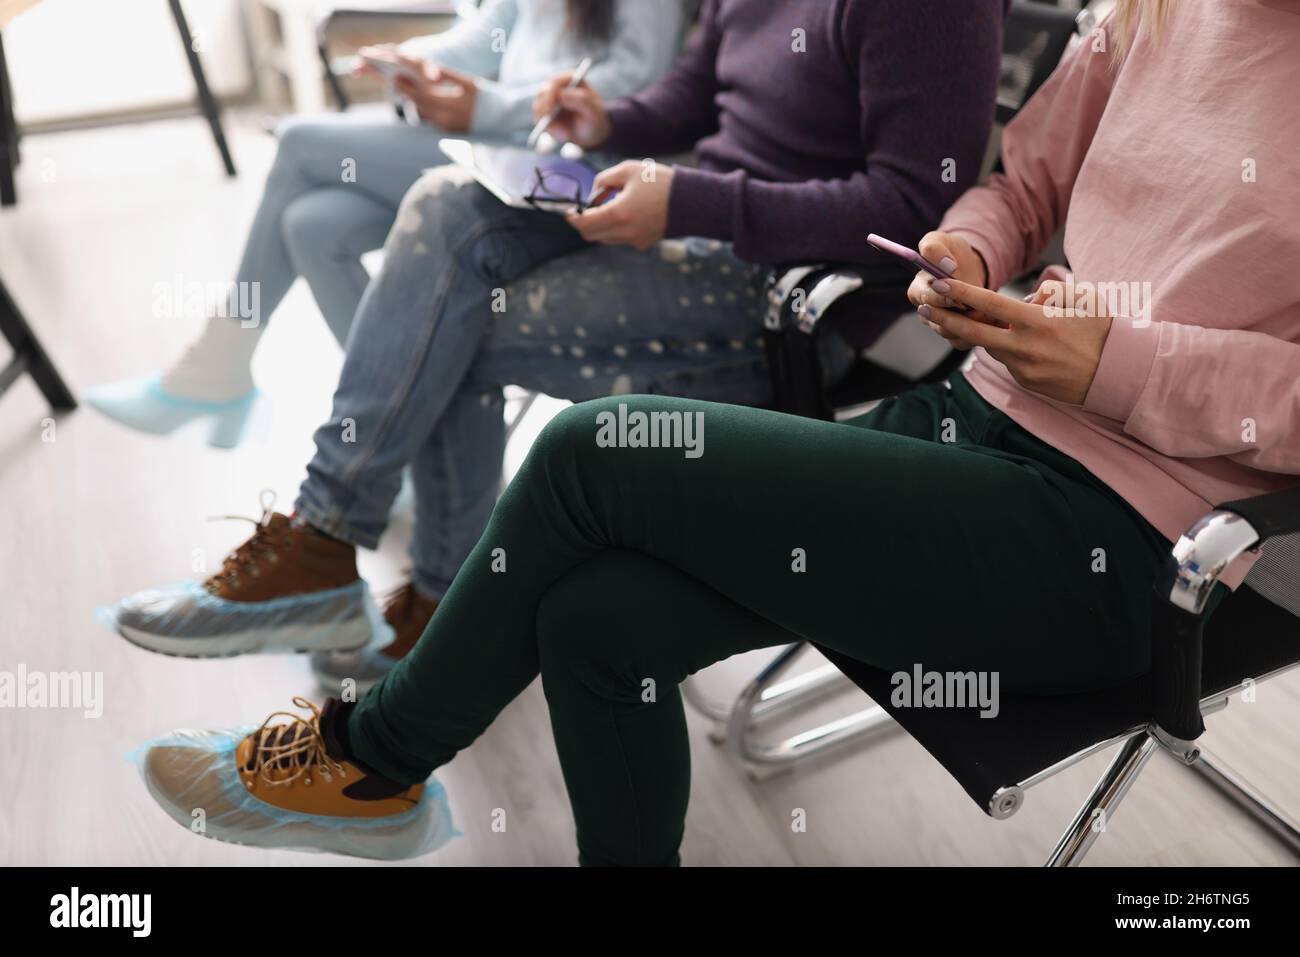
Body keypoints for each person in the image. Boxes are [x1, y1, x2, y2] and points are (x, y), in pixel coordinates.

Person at [134, 0, 1300, 865]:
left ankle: (373, 758)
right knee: (592, 621)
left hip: (1125, 545)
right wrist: (971, 247)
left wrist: (1124, 364)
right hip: (976, 419)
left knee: (597, 450)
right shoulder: (1150, 15)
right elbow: (1019, 184)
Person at [104, 0, 1010, 692]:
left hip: (781, 289)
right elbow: (699, 94)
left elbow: (912, 209)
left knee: (448, 310)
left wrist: (694, 201)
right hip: (695, 210)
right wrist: (603, 123)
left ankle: (407, 587)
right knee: (443, 210)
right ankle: (350, 550)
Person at [84, 0, 688, 448]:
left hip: (568, 173)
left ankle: (221, 361)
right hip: (489, 145)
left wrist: (487, 105)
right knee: (312, 225)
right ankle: (405, 437)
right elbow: (487, 34)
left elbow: (638, 83)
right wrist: (418, 63)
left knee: (298, 140)